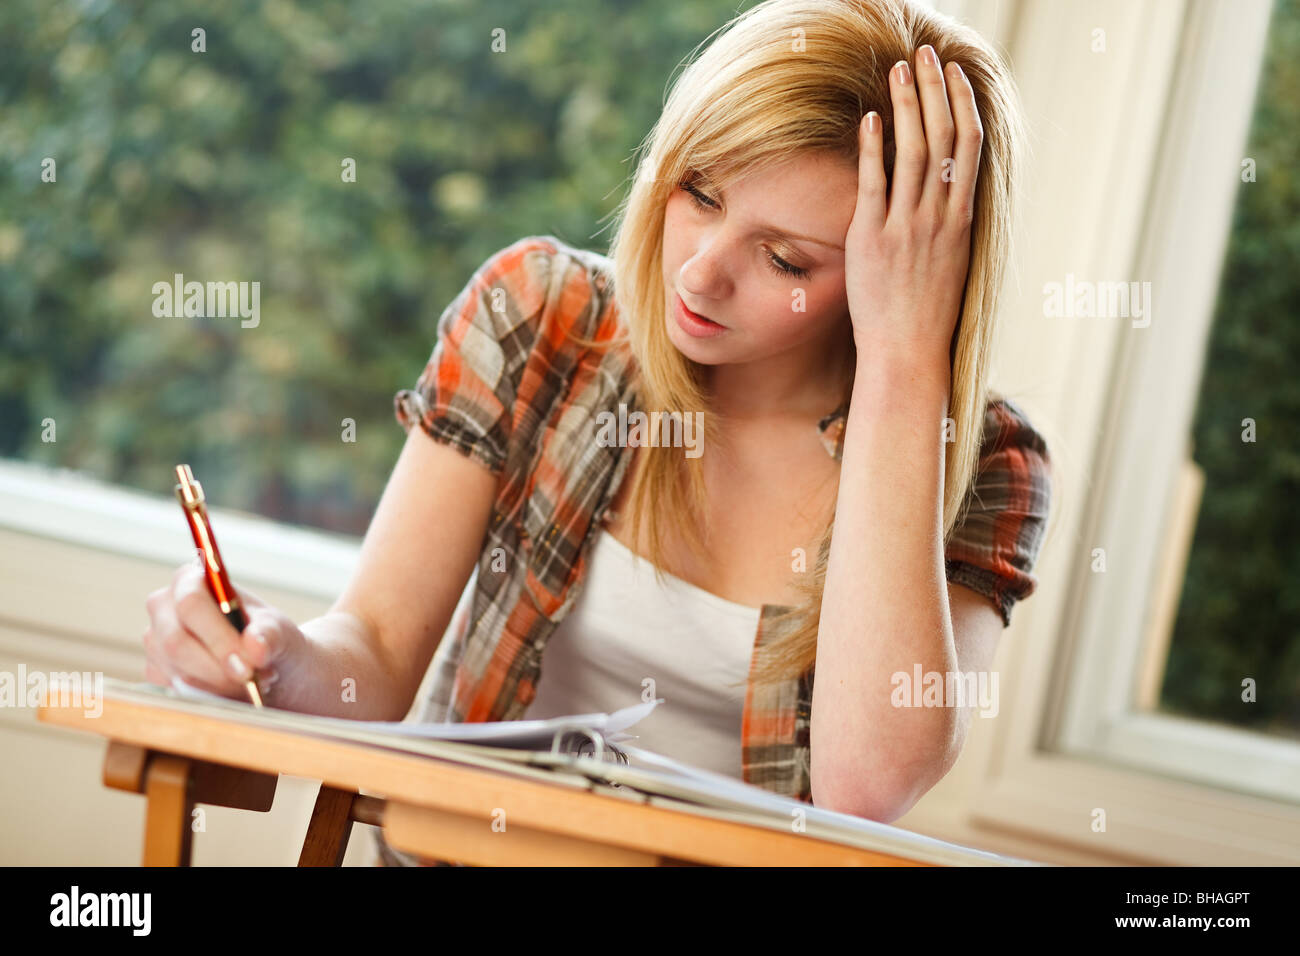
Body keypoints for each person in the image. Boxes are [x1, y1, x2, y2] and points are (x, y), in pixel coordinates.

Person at [141, 0, 1054, 866]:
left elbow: (867, 783)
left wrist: (904, 358)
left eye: (783, 258)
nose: (698, 274)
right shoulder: (542, 320)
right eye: (697, 192)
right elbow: (374, 657)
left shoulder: (987, 464)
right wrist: (271, 655)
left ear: (898, 274)